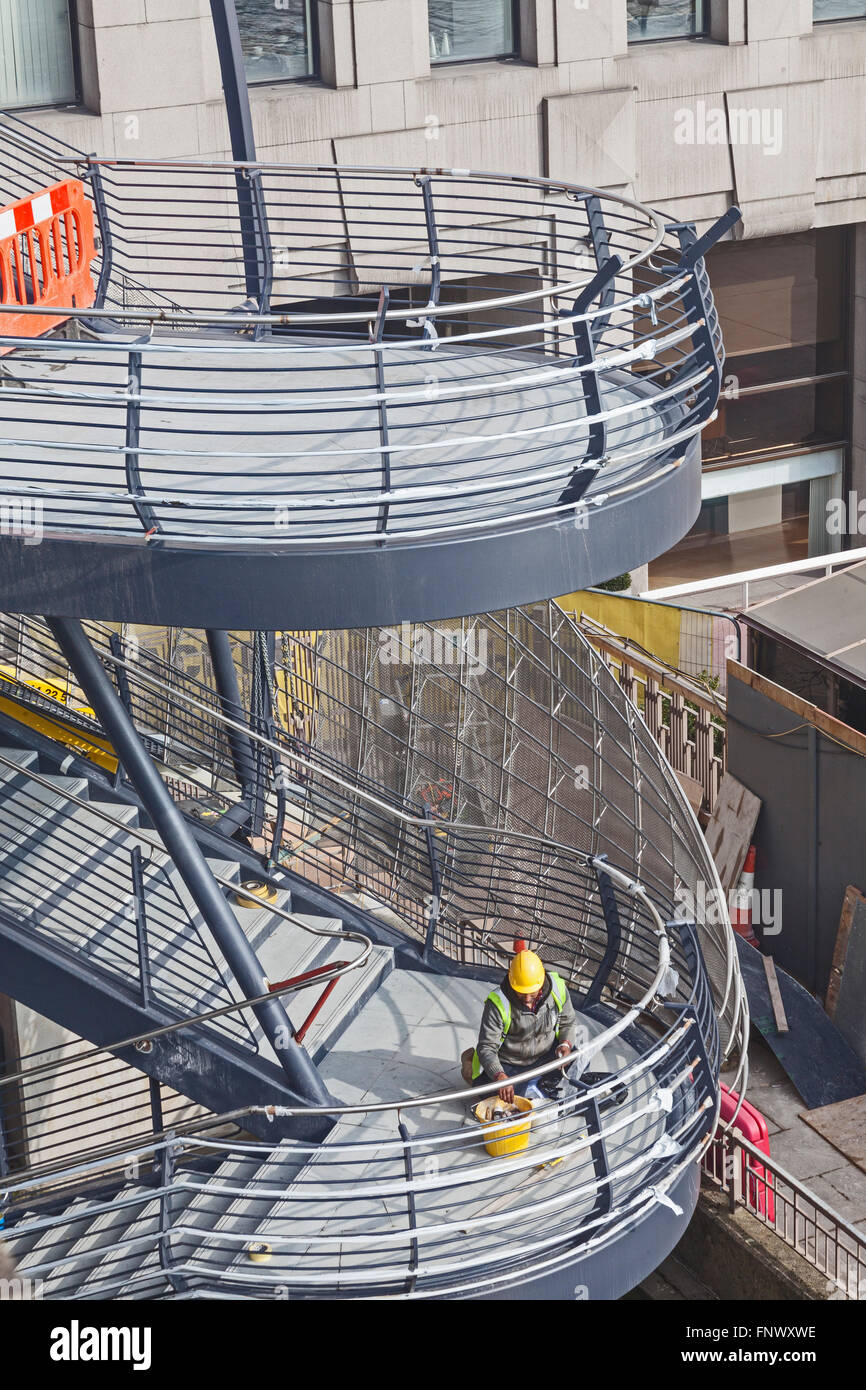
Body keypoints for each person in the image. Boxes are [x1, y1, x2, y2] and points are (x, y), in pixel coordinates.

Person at [466, 949, 577, 1103]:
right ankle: (469, 1066)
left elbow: (568, 1020)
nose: (527, 999)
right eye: (521, 993)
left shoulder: (558, 988)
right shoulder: (497, 1004)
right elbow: (487, 1047)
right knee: (501, 1098)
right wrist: (499, 1075)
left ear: (541, 981)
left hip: (545, 1055)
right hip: (510, 1064)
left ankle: (538, 1084)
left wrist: (565, 1043)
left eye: (532, 993)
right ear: (512, 984)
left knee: (574, 1057)